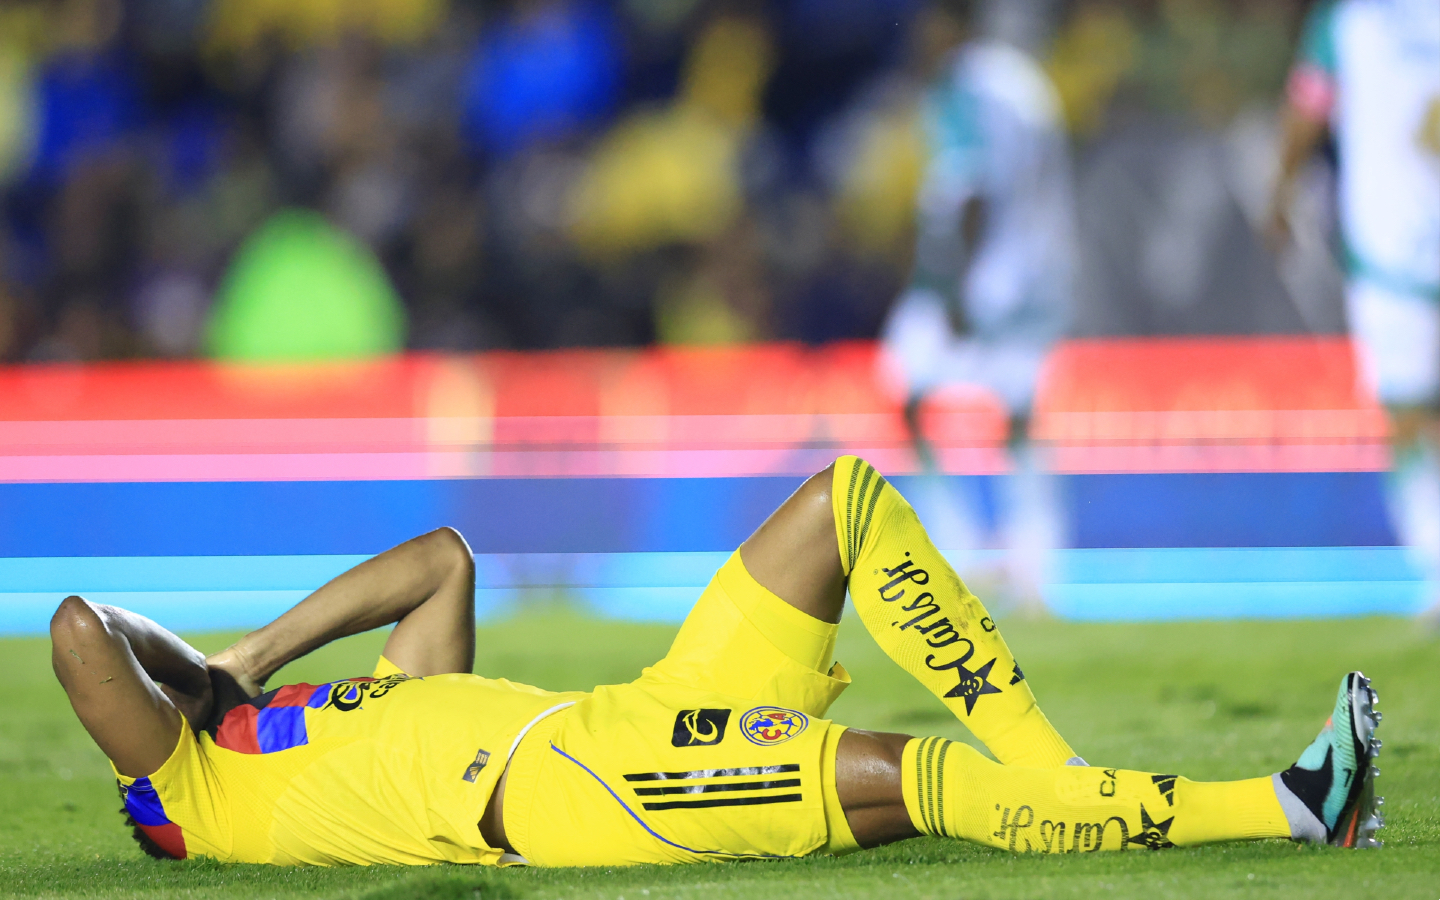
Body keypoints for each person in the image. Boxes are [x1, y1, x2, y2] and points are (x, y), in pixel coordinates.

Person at [51, 458, 1383, 866]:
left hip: (629, 712)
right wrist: (206, 693)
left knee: (841, 501)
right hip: (581, 797)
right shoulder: (208, 801)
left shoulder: (342, 711)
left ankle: (1061, 776)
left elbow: (444, 559)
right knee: (907, 775)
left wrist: (254, 656)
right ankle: (1288, 807)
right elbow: (82, 634)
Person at [1268, 0, 1440, 602]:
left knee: (1410, 416)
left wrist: (1280, 193)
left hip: (1387, 243)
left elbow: (1306, 107)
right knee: (1410, 413)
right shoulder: (1345, 22)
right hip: (1389, 244)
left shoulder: (1344, 22)